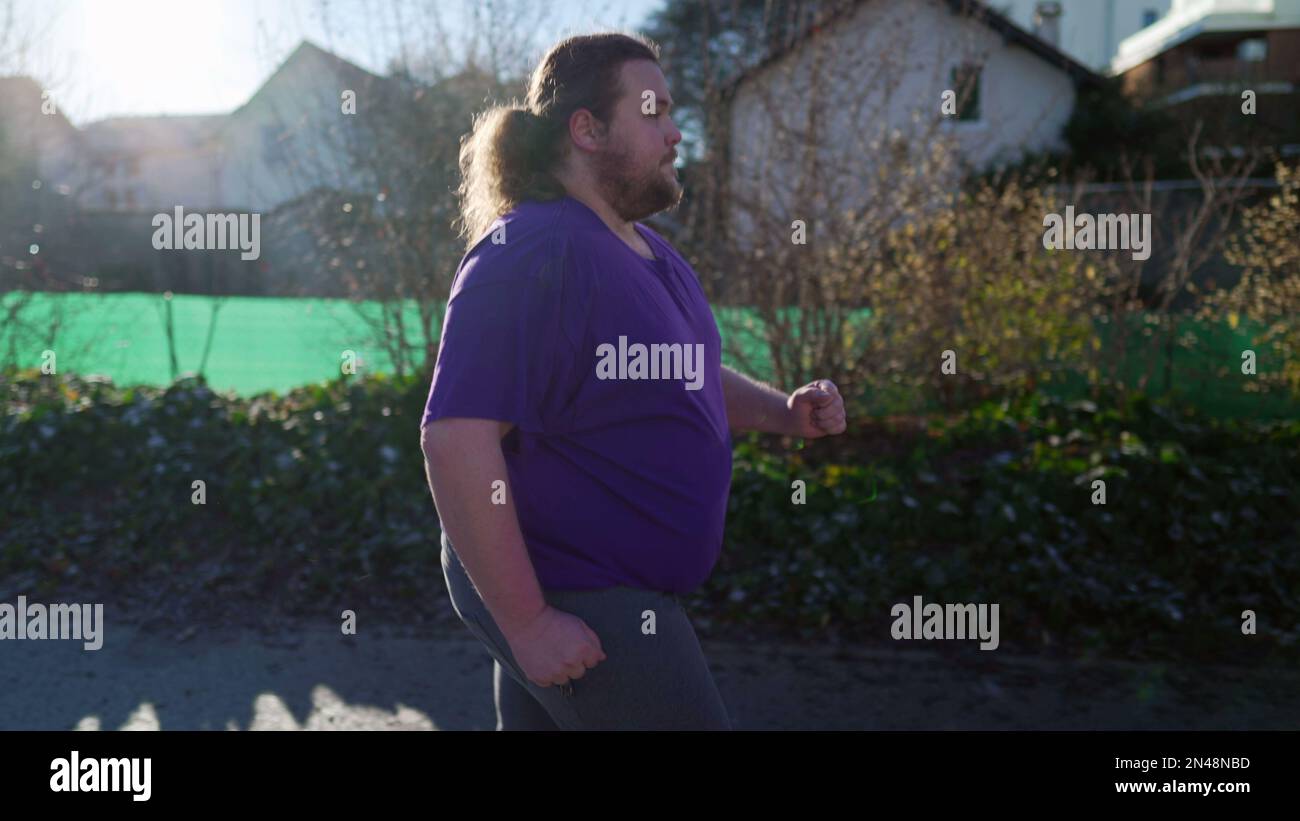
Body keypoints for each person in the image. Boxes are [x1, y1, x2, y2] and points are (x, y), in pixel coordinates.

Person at [419, 31, 847, 730]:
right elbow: (455, 438)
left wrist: (786, 413)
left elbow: (688, 377)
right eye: (653, 111)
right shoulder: (531, 250)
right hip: (575, 591)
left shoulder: (650, 253)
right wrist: (528, 623)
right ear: (586, 129)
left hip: (599, 588)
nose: (677, 133)